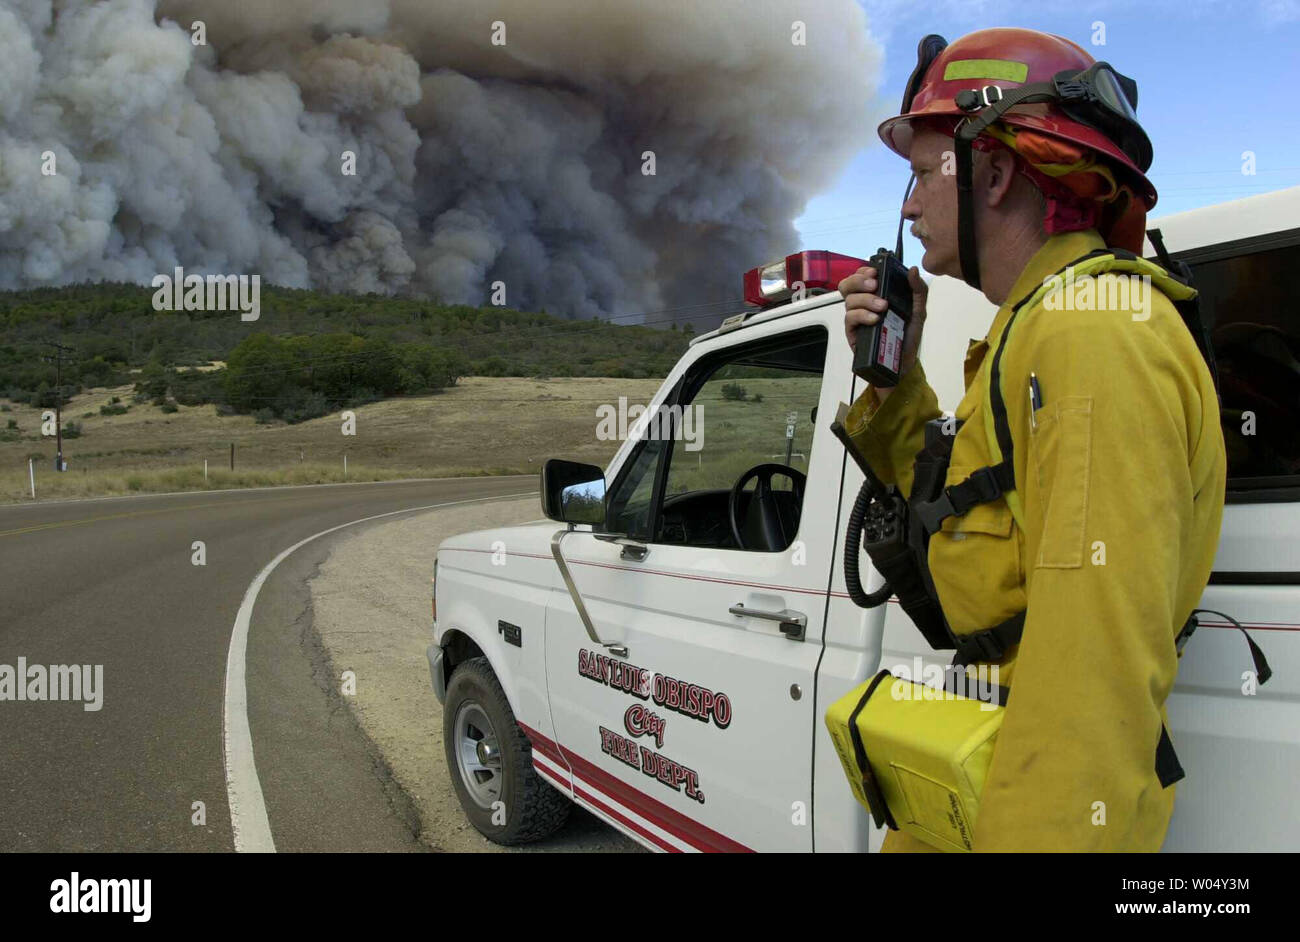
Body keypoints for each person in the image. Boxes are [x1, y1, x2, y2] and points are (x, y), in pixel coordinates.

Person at [837, 27, 1226, 851]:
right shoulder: (1035, 333)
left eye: (919, 175)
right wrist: (895, 383)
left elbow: (1089, 686)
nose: (907, 208)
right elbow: (972, 530)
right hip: (979, 789)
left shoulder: (1092, 339)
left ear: (998, 170)